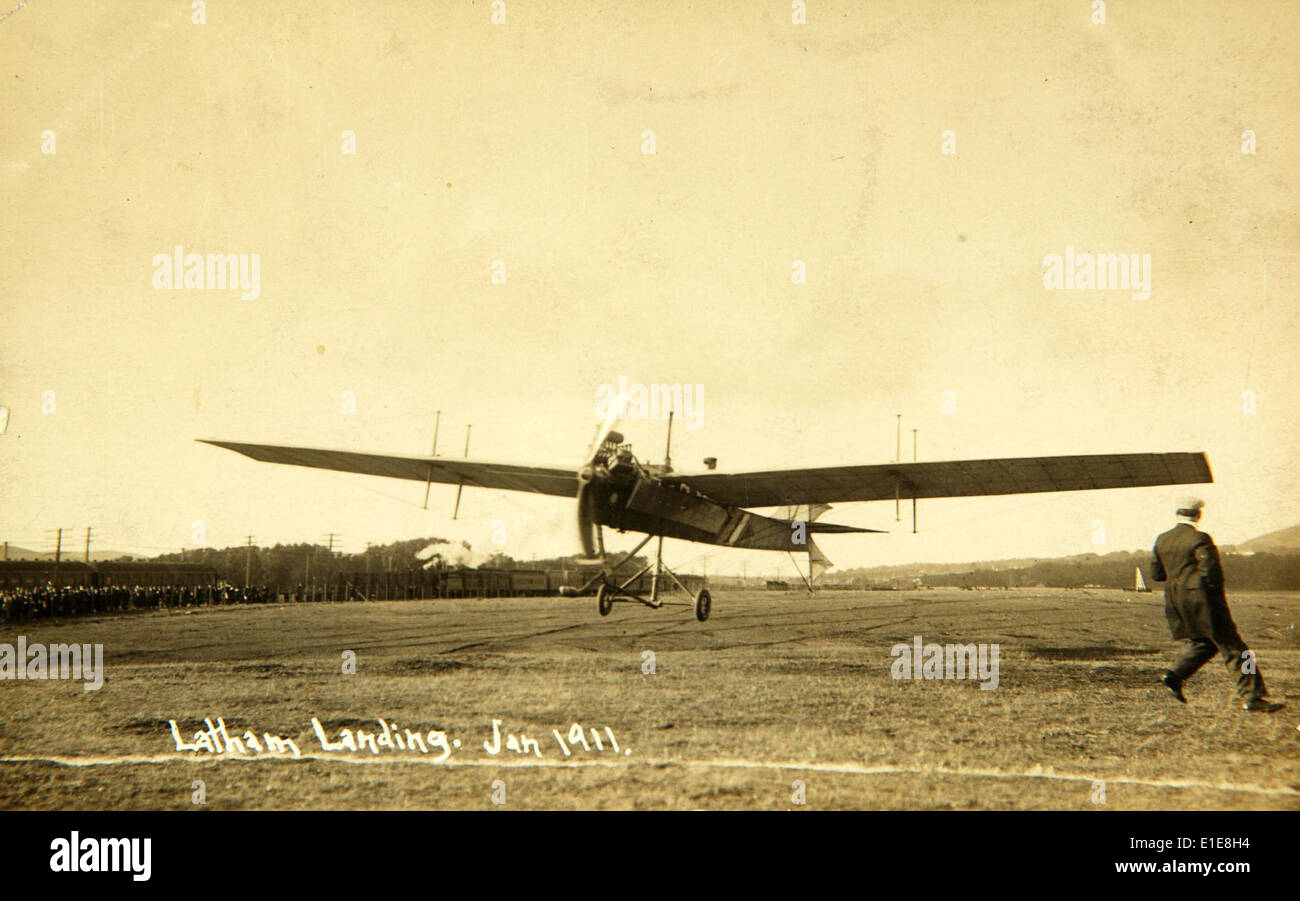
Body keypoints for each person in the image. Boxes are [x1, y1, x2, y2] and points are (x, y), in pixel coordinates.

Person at [1150, 498, 1283, 712]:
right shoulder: (1200, 538)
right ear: (1198, 515)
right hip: (1205, 603)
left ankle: (1174, 676)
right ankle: (1253, 697)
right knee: (1239, 651)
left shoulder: (1162, 539)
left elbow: (1157, 575)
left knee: (1205, 643)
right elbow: (1211, 573)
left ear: (1178, 514)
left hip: (1176, 602)